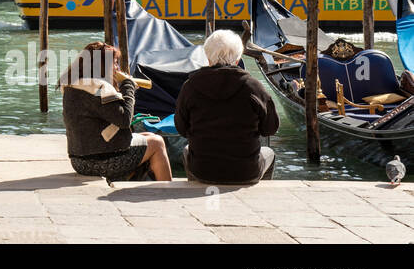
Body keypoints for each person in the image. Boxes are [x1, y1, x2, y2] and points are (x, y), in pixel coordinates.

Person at [174, 30, 279, 183]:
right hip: (246, 172)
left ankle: (198, 189)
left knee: (186, 151)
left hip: (203, 171)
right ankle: (258, 194)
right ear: (238, 59)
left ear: (208, 57)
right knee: (269, 153)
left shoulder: (190, 86)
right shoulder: (253, 87)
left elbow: (181, 128)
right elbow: (270, 128)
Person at [61, 41, 173, 181]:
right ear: (103, 65)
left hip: (79, 161)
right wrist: (128, 86)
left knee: (147, 135)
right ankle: (168, 189)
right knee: (157, 142)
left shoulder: (74, 86)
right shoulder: (98, 89)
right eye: (114, 63)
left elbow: (106, 112)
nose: (117, 68)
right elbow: (124, 120)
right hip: (99, 162)